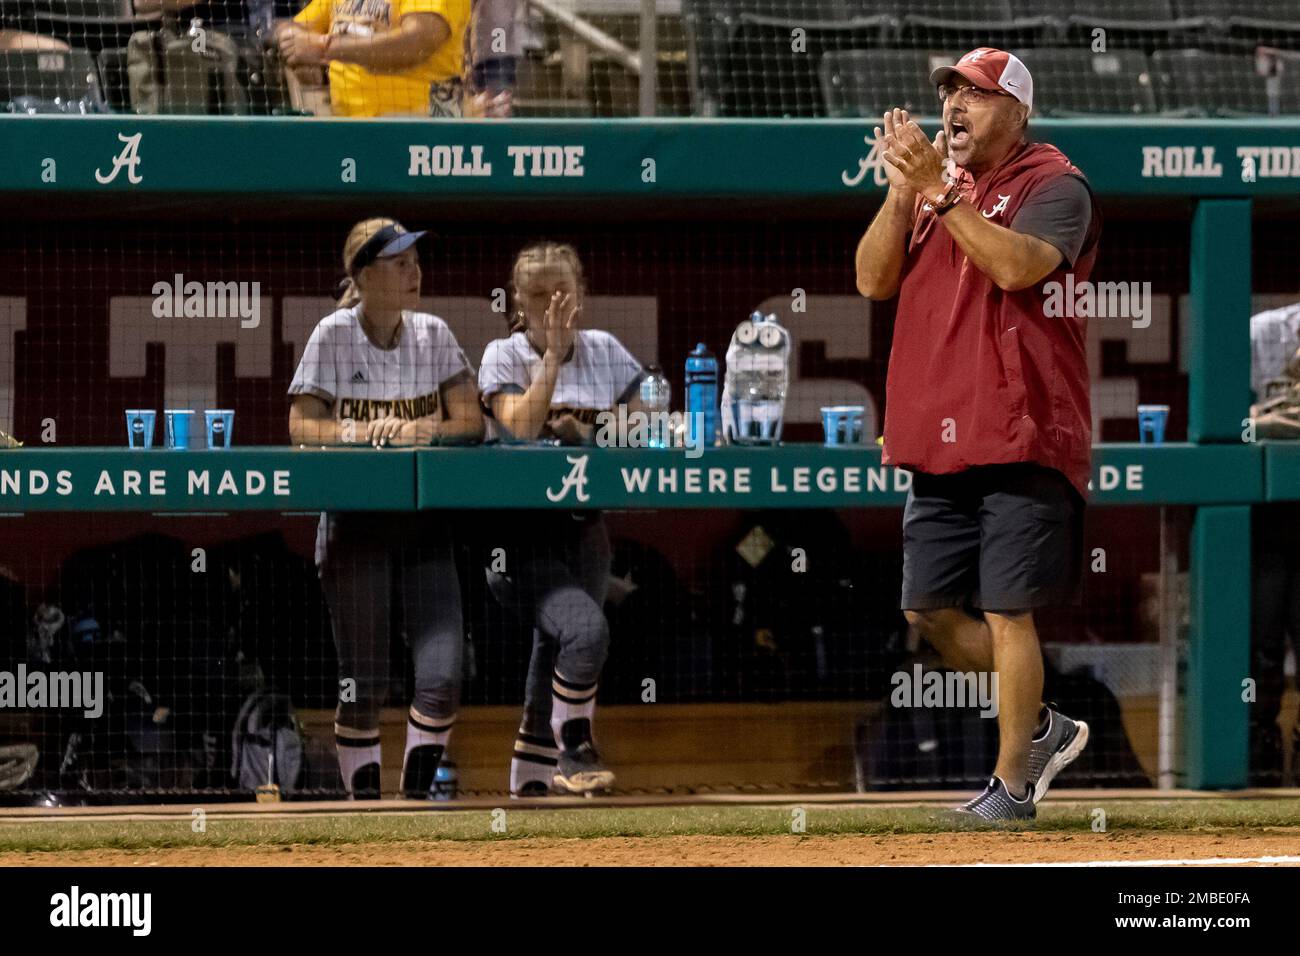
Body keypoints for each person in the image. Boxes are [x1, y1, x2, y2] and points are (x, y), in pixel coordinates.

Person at [855, 48, 1103, 822]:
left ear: (1018, 113)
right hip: (940, 434)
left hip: (1023, 426)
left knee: (1007, 611)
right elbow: (871, 279)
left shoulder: (1055, 183)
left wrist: (937, 190)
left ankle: (1014, 786)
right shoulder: (937, 184)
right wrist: (904, 196)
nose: (956, 105)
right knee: (926, 610)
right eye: (950, 92)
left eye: (977, 94)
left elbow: (1017, 268)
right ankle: (1043, 725)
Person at [288, 218, 483, 798]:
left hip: (424, 527)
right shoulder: (332, 334)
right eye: (400, 263)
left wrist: (425, 428)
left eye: (415, 259)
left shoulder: (434, 333)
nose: (415, 271)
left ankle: (415, 806)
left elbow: (472, 422)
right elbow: (301, 426)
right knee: (363, 683)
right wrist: (364, 432)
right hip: (354, 525)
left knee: (444, 676)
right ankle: (366, 816)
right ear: (365, 276)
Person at [478, 241, 646, 796]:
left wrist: (594, 434)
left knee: (555, 647)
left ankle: (529, 789)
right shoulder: (503, 356)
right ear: (516, 302)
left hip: (586, 533)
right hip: (517, 541)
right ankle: (575, 745)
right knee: (585, 631)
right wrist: (550, 358)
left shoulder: (605, 350)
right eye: (536, 293)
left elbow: (648, 429)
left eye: (562, 291)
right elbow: (521, 428)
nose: (552, 302)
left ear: (582, 294)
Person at [1248, 301, 1300, 783]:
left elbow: (1261, 421)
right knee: (1260, 643)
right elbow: (1234, 424)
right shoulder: (1263, 332)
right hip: (1263, 520)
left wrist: (1272, 419)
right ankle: (1259, 746)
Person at [276, 0, 470, 117]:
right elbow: (293, 26)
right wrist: (297, 50)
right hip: (349, 125)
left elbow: (416, 42)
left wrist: (322, 49)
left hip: (419, 123)